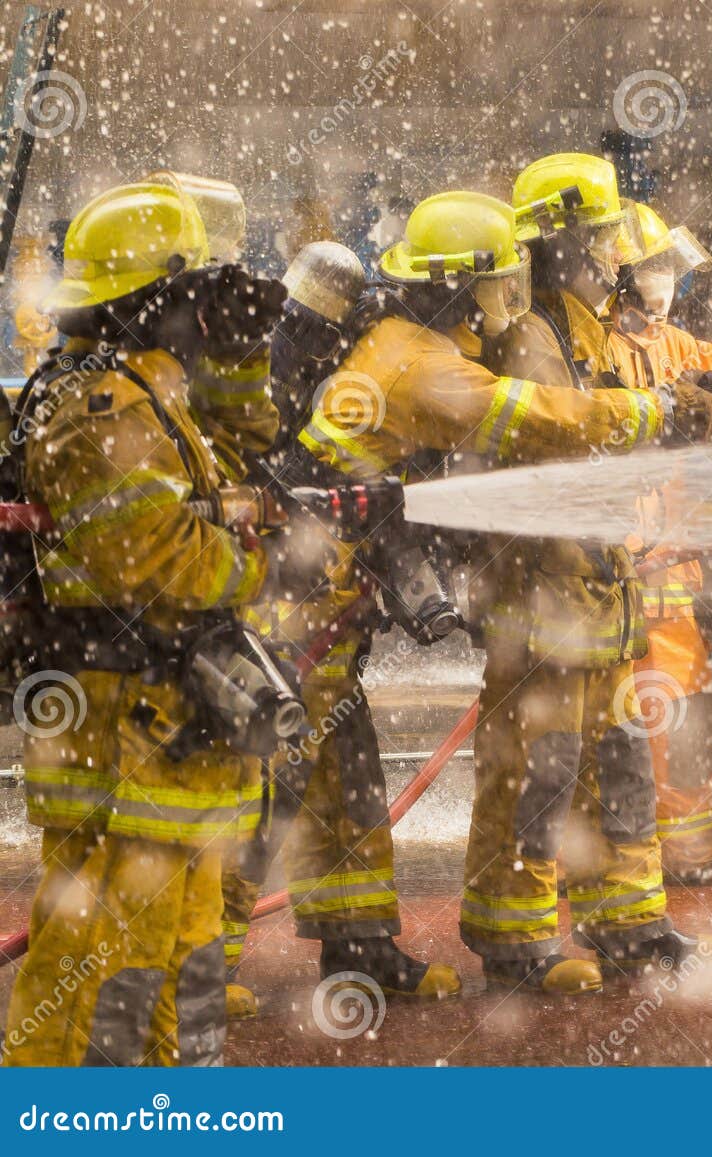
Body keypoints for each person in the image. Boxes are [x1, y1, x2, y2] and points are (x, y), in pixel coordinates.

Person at [3, 178, 296, 1065]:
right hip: (119, 728)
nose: (209, 309)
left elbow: (248, 453)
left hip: (166, 732)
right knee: (100, 955)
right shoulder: (99, 408)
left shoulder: (148, 389)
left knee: (185, 939)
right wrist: (269, 558)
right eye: (200, 292)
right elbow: (160, 560)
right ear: (154, 296)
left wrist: (243, 356)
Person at [453, 153, 712, 989]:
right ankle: (517, 940)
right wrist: (655, 412)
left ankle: (631, 922)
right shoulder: (531, 335)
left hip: (596, 599)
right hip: (541, 605)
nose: (616, 251)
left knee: (618, 771)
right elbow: (565, 427)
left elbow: (617, 433)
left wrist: (682, 415)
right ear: (563, 241)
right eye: (603, 234)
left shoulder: (589, 333)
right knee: (538, 776)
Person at [219, 240, 463, 1019]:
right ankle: (199, 958)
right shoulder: (264, 386)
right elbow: (288, 487)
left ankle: (360, 947)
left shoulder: (325, 383)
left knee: (351, 790)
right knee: (257, 799)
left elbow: (355, 495)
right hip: (275, 636)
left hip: (326, 639)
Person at [605, 203, 712, 883]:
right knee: (610, 727)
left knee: (683, 717)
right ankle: (606, 857)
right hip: (609, 583)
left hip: (669, 586)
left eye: (670, 269)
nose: (663, 283)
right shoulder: (593, 349)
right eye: (649, 269)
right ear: (617, 275)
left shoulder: (682, 350)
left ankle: (691, 852)